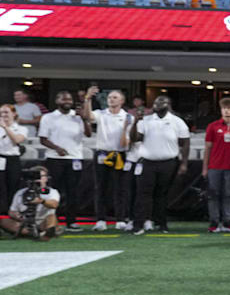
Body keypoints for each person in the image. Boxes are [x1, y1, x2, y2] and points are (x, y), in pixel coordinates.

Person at [130, 95, 190, 235]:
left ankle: (161, 224)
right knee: (143, 194)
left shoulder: (177, 121)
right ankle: (138, 224)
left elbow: (185, 143)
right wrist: (134, 123)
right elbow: (134, 138)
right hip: (147, 162)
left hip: (168, 162)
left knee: (162, 195)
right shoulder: (146, 120)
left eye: (161, 103)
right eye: (156, 103)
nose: (158, 105)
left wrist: (184, 163)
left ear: (168, 105)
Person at [39, 90, 90, 232]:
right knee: (52, 190)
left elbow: (88, 133)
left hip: (75, 158)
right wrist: (57, 148)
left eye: (69, 99)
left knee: (73, 192)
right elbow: (43, 139)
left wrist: (84, 118)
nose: (67, 101)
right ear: (57, 101)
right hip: (54, 159)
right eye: (64, 99)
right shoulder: (48, 117)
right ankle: (49, 220)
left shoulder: (78, 117)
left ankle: (71, 221)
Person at [84, 87, 134, 231]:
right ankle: (100, 219)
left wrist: (125, 129)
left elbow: (126, 143)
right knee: (100, 187)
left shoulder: (128, 117)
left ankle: (120, 218)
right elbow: (88, 117)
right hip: (102, 153)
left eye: (115, 97)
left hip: (120, 154)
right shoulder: (101, 114)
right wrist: (88, 99)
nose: (111, 100)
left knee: (120, 188)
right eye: (109, 98)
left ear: (122, 101)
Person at [203, 97, 230, 233]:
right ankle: (214, 222)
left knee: (228, 194)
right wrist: (205, 168)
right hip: (214, 167)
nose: (227, 111)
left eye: (229, 108)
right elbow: (207, 148)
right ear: (221, 110)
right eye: (224, 108)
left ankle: (227, 221)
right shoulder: (213, 126)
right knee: (213, 195)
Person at [2, 165, 60, 240]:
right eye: (35, 177)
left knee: (52, 217)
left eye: (41, 176)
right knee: (4, 221)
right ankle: (32, 232)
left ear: (46, 178)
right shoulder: (21, 192)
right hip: (25, 222)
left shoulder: (52, 192)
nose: (38, 179)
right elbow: (12, 211)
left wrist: (42, 201)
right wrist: (16, 215)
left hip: (43, 221)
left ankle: (47, 232)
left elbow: (54, 205)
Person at [0, 104, 27, 210]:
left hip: (12, 159)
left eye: (6, 112)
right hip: (0, 157)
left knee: (13, 186)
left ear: (14, 114)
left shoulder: (21, 128)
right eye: (1, 112)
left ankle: (12, 211)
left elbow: (17, 140)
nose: (3, 115)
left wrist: (5, 127)